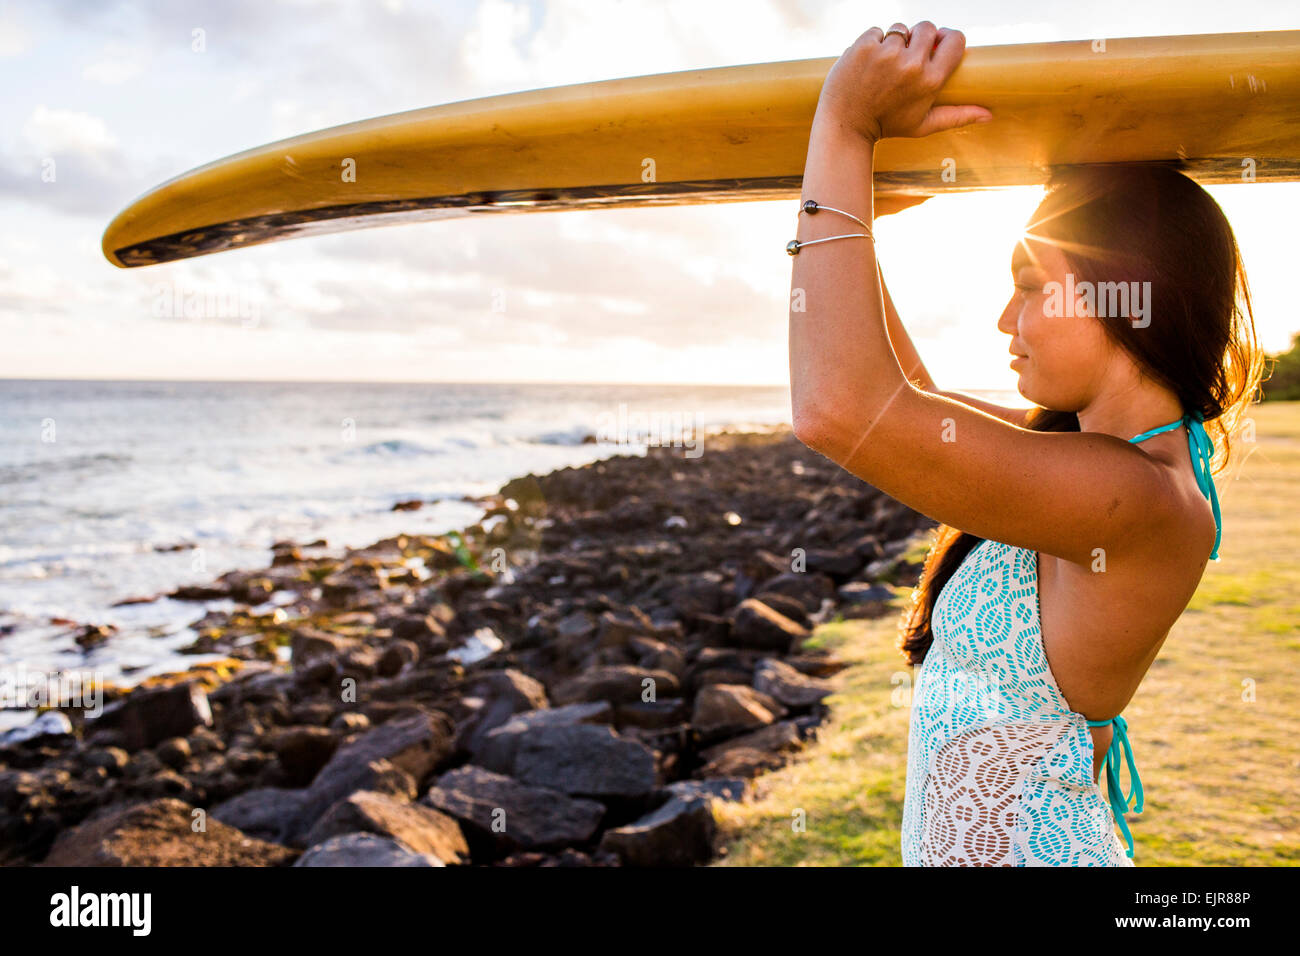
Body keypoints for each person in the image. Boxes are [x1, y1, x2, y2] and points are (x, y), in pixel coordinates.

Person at [787, 21, 1264, 865]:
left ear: (1131, 296)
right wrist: (851, 211)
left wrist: (845, 126)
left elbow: (840, 407)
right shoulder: (1085, 458)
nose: (1006, 320)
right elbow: (910, 403)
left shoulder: (1138, 497)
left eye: (1034, 287)